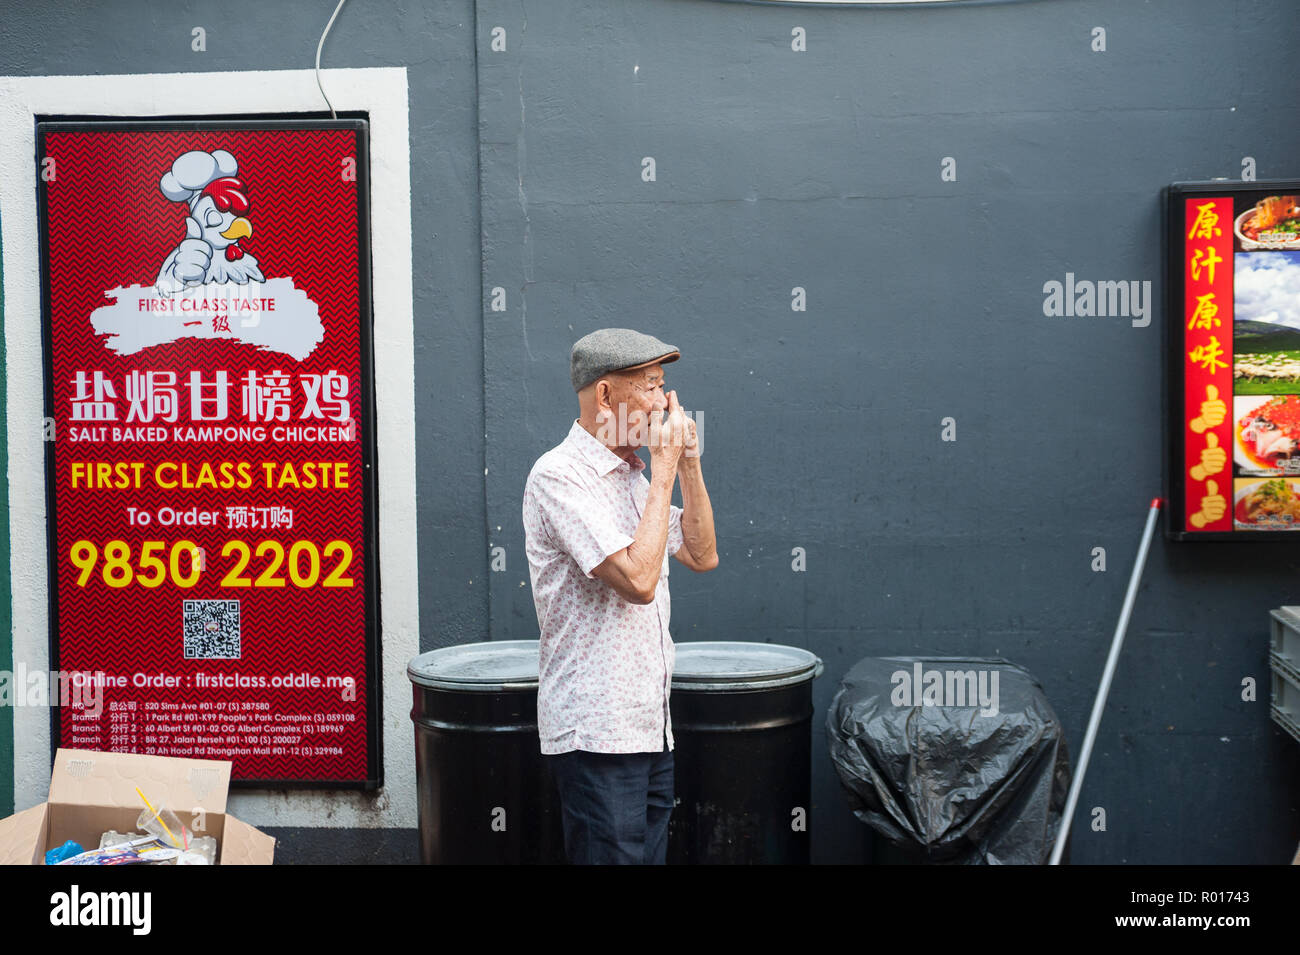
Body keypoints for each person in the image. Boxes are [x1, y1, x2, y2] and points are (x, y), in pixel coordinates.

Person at [522, 328, 718, 865]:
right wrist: (662, 474)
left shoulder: (633, 474)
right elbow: (638, 581)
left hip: (649, 727)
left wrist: (688, 464)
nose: (662, 401)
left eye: (663, 386)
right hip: (597, 736)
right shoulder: (560, 476)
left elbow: (702, 554)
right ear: (605, 396)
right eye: (650, 386)